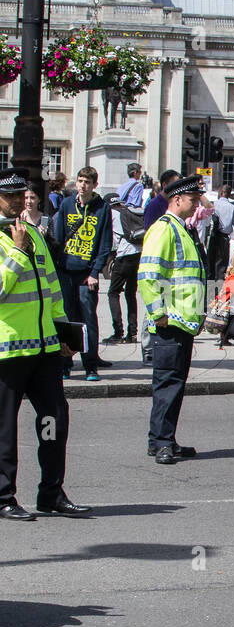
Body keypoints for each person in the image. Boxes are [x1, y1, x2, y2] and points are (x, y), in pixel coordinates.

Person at [0, 168, 90, 521]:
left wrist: (63, 335)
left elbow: (52, 291)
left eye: (22, 194)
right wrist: (17, 254)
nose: (19, 201)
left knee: (53, 420)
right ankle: (4, 496)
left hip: (44, 351)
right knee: (5, 428)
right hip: (8, 352)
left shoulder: (34, 235)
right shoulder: (16, 242)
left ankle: (51, 492)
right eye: (11, 196)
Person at [138, 175, 206, 465]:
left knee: (174, 384)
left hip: (182, 320)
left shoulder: (181, 229)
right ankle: (161, 442)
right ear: (177, 200)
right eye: (192, 199)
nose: (196, 204)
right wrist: (158, 314)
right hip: (171, 322)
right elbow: (148, 275)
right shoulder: (164, 229)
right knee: (167, 384)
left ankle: (165, 439)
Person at [51, 166, 112, 381]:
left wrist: (95, 271)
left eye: (87, 182)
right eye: (80, 181)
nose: (83, 185)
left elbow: (105, 243)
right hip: (66, 271)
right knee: (67, 317)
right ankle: (66, 363)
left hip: (87, 273)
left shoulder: (102, 208)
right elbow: (58, 238)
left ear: (94, 185)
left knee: (88, 319)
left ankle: (91, 364)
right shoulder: (67, 204)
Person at [103, 197, 143, 346]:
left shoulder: (113, 214)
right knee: (130, 293)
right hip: (138, 253)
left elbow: (112, 239)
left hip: (124, 255)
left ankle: (117, 332)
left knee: (113, 293)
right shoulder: (130, 211)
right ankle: (132, 333)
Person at [208, 184, 234, 285]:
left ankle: (209, 295)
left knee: (210, 266)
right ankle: (218, 295)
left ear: (221, 193)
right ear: (229, 195)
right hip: (224, 239)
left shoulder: (213, 205)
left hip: (213, 237)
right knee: (221, 268)